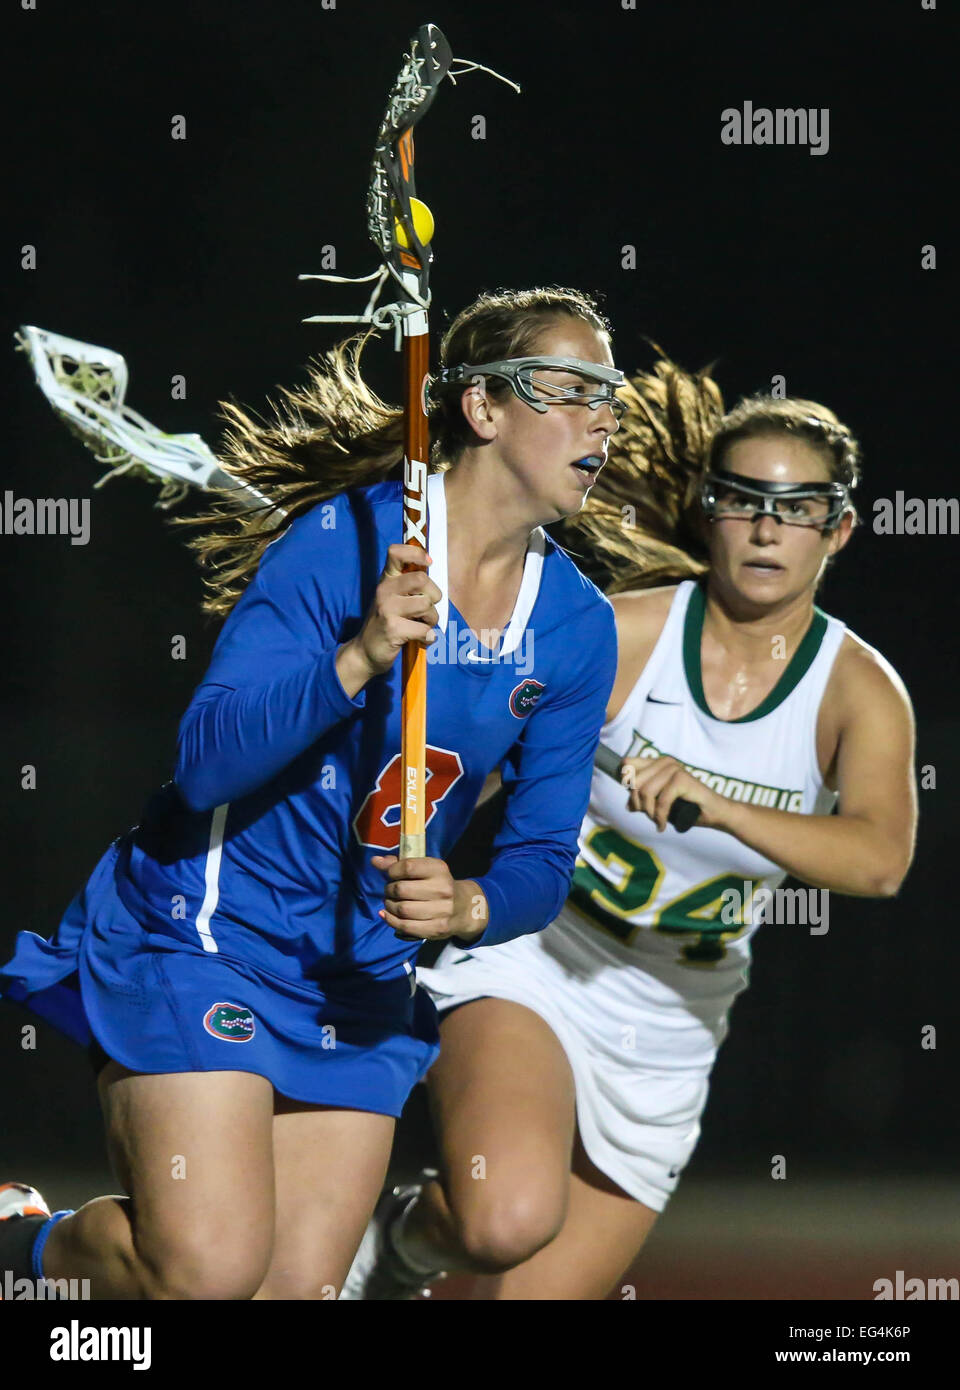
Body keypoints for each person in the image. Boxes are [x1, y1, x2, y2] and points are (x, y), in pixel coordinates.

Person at [0, 286, 622, 1300]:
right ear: (482, 409)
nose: (602, 417)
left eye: (612, 395)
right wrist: (364, 652)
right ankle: (25, 1241)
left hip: (357, 976)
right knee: (205, 1274)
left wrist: (467, 904)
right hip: (208, 932)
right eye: (572, 389)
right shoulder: (342, 546)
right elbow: (204, 762)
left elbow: (541, 861)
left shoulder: (577, 628)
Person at [343, 357, 919, 1300]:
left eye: (800, 506)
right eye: (743, 500)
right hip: (538, 964)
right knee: (503, 1220)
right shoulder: (626, 635)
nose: (768, 527)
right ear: (707, 510)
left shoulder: (859, 692)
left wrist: (721, 801)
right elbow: (480, 768)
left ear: (840, 527)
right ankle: (394, 1251)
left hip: (674, 1027)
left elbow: (879, 859)